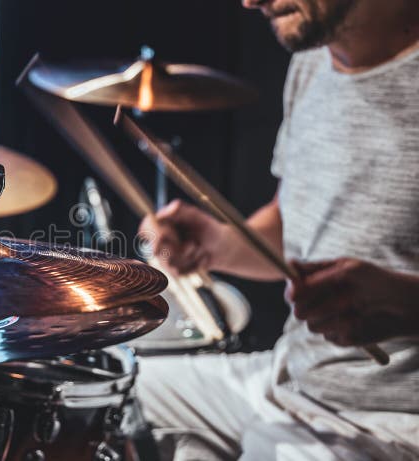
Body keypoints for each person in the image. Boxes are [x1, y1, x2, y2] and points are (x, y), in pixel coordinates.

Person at [136, 0, 419, 459]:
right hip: (286, 379)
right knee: (104, 389)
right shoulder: (312, 61)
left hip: (391, 424)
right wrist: (219, 244)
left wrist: (408, 304)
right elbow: (292, 224)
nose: (250, 2)